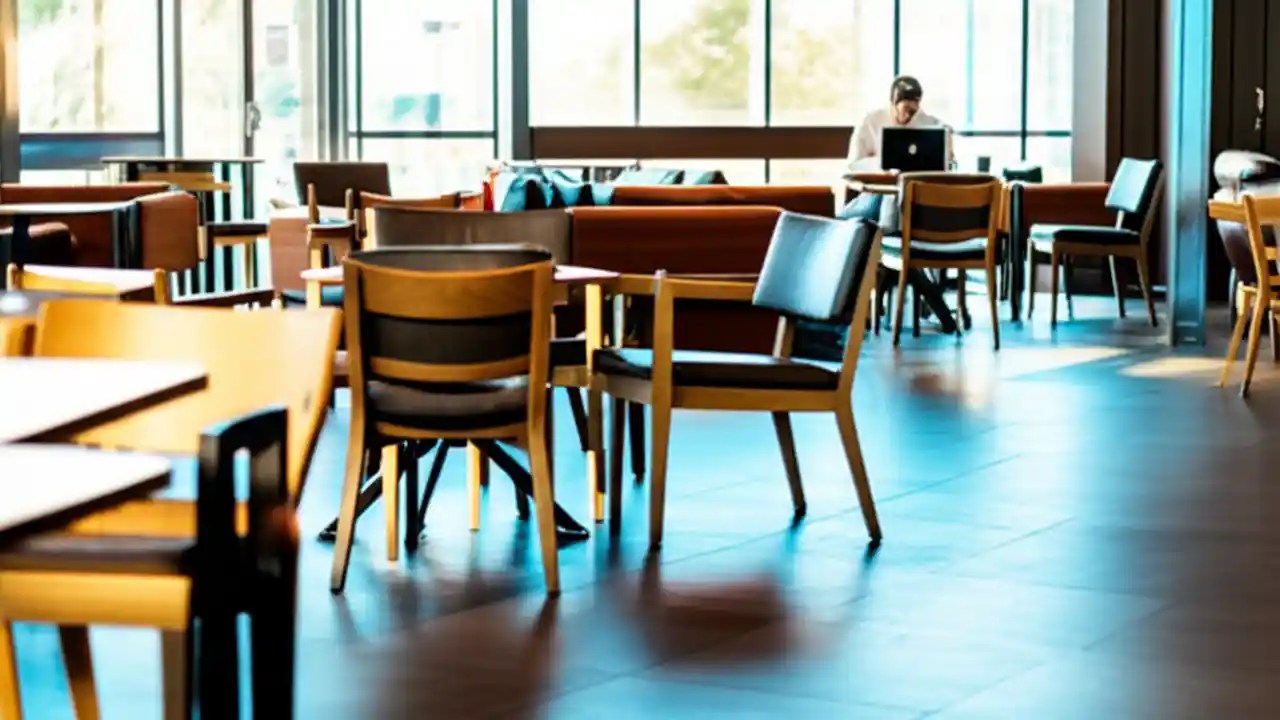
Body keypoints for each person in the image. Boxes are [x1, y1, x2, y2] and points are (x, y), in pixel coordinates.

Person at [848, 75, 955, 172]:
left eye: (912, 111)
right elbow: (853, 164)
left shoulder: (928, 123)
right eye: (905, 109)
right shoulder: (871, 121)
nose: (908, 116)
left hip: (914, 187)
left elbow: (949, 164)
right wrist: (880, 163)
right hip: (878, 186)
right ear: (892, 103)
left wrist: (947, 144)